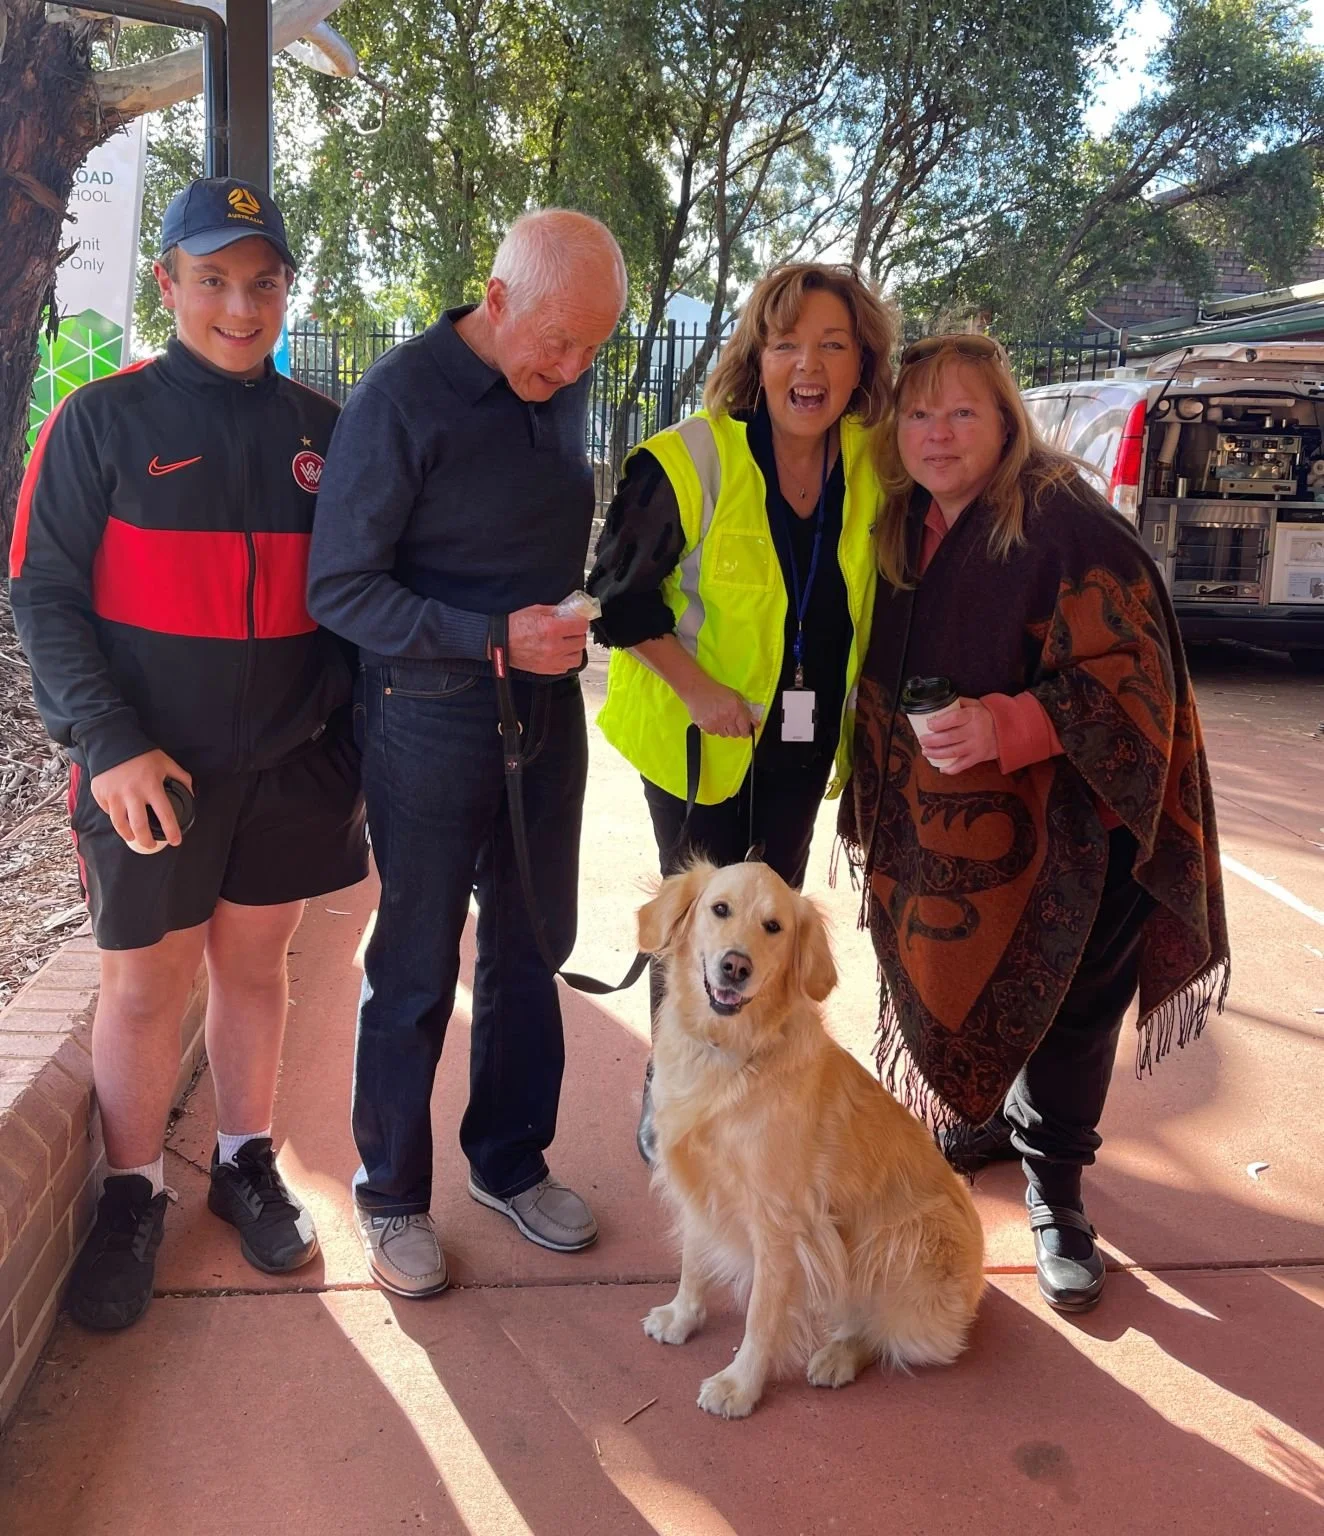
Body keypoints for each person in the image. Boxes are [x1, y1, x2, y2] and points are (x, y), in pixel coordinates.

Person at [9, 177, 368, 1331]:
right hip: (147, 774)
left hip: (289, 770)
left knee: (256, 973)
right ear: (169, 285)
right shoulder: (99, 422)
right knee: (144, 984)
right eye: (212, 280)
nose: (239, 305)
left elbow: (361, 598)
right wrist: (106, 743)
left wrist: (349, 747)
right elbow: (43, 593)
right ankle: (130, 1192)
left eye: (261, 282)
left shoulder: (325, 428)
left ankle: (244, 1161)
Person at [840, 334, 1229, 1313]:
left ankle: (1057, 1195)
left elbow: (1138, 676)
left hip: (1069, 832)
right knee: (947, 975)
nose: (936, 433)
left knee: (1070, 1008)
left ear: (1006, 422)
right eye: (919, 414)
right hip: (931, 825)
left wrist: (1012, 723)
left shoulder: (1066, 521)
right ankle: (975, 1116)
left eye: (961, 412)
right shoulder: (890, 522)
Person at [307, 209, 627, 1298]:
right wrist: (491, 637)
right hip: (429, 709)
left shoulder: (561, 379)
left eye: (594, 348)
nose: (574, 366)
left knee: (535, 941)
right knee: (415, 958)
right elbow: (338, 589)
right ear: (494, 300)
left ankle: (507, 1161)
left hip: (543, 709)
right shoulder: (401, 398)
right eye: (559, 342)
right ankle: (390, 1193)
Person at [587, 263, 895, 1164]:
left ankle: (755, 1079)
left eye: (833, 345)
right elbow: (617, 598)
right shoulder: (691, 458)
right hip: (694, 736)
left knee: (769, 915)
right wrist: (698, 689)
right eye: (788, 342)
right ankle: (672, 1084)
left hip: (798, 740)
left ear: (861, 363)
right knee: (699, 921)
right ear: (756, 357)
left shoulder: (872, 466)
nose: (810, 365)